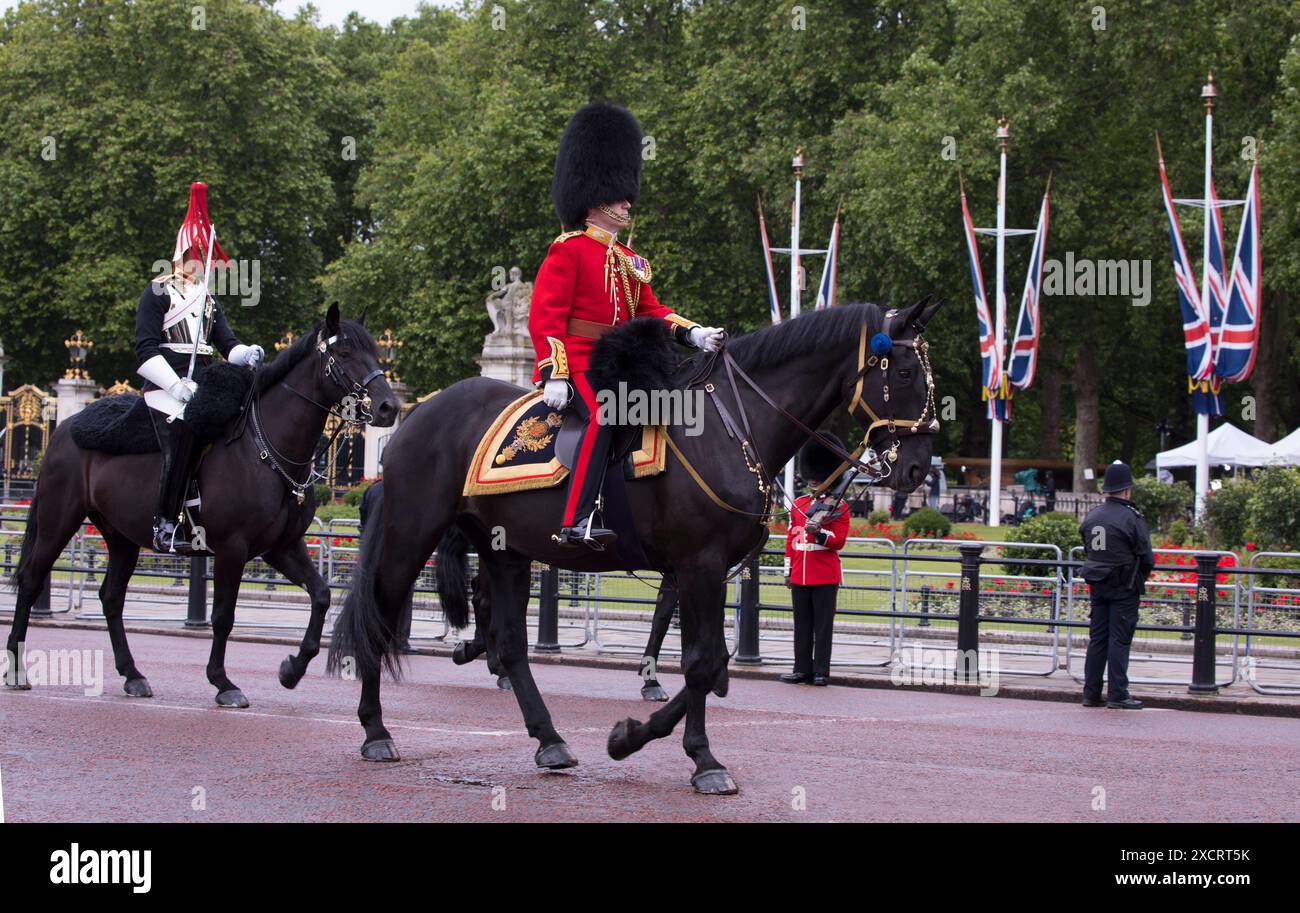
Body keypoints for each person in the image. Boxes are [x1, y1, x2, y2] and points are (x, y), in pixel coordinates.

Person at [529, 102, 724, 549]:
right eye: (618, 196)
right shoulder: (569, 249)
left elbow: (650, 311)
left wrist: (692, 333)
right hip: (579, 360)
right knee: (604, 415)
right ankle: (575, 519)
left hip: (621, 364)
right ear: (594, 198)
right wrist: (553, 371)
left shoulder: (631, 262)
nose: (627, 201)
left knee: (677, 413)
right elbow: (545, 317)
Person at [135, 182, 263, 553]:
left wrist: (247, 352)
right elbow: (144, 351)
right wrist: (176, 386)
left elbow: (227, 344)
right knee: (181, 435)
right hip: (166, 388)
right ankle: (164, 521)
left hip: (203, 383)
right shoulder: (158, 291)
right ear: (182, 251)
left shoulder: (208, 300)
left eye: (204, 252)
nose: (201, 258)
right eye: (196, 251)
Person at [1078, 461, 1155, 710]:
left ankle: (1091, 692)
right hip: (1124, 586)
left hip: (1098, 584)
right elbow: (1147, 558)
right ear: (1126, 490)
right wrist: (1137, 576)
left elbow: (1087, 547)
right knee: (1119, 640)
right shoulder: (1131, 518)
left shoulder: (1092, 516)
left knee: (1098, 638)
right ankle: (1118, 693)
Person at [779, 433, 851, 687]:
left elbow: (839, 541)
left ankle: (821, 671)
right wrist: (788, 571)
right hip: (800, 572)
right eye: (810, 478)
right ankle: (802, 669)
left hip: (825, 575)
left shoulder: (838, 507)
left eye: (817, 478)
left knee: (822, 628)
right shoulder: (799, 504)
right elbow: (791, 540)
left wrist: (818, 533)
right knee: (802, 626)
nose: (812, 482)